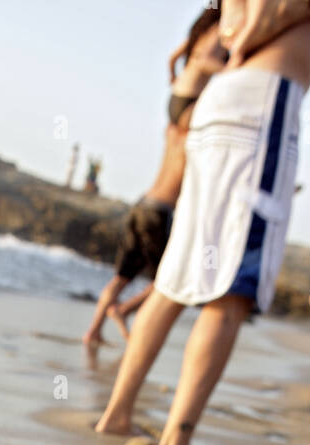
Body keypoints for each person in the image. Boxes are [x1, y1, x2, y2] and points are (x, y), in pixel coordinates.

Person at [96, 0, 310, 445]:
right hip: (262, 104)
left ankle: (117, 414)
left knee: (176, 275)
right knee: (232, 288)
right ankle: (177, 440)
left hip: (221, 104)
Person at [84, 8, 226, 347]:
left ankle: (93, 331)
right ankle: (125, 310)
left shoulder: (170, 131)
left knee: (122, 275)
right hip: (158, 212)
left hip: (142, 204)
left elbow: (179, 57)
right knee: (168, 279)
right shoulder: (190, 139)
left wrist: (173, 77)